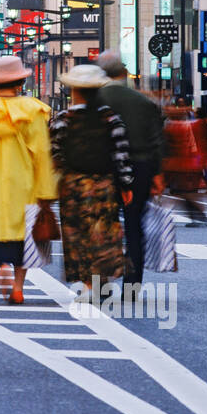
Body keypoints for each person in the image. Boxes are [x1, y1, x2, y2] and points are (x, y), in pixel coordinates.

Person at [0, 55, 56, 305]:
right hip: (25, 181)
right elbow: (41, 151)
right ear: (19, 81)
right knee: (23, 235)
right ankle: (18, 286)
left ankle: (1, 267)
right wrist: (46, 191)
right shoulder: (33, 109)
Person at [50, 65, 133, 301]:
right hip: (104, 184)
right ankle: (102, 279)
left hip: (74, 185)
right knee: (104, 232)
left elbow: (54, 154)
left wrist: (62, 177)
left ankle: (87, 283)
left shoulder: (64, 119)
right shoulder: (111, 119)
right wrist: (126, 184)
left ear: (74, 90)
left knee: (78, 234)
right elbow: (122, 154)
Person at [96, 51, 163, 290]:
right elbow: (157, 140)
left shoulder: (95, 99)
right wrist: (157, 174)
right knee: (135, 226)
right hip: (141, 167)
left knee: (101, 224)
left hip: (102, 168)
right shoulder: (144, 102)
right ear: (123, 73)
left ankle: (101, 282)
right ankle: (132, 285)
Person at [162, 99, 207, 226]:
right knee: (189, 191)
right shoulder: (191, 125)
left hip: (190, 162)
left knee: (188, 191)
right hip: (191, 162)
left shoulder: (182, 126)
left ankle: (204, 215)